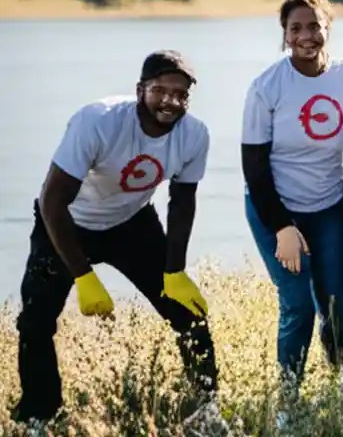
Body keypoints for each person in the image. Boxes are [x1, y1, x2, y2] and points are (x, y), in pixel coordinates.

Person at [13, 51, 218, 424]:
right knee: (36, 322)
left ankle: (207, 410)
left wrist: (175, 270)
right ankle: (38, 417)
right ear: (140, 90)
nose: (171, 100)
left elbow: (182, 203)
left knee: (189, 314)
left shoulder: (194, 135)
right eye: (160, 90)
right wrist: (82, 275)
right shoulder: (98, 121)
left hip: (131, 222)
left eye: (181, 93)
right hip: (65, 222)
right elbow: (52, 200)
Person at [242, 0, 343, 392]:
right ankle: (289, 395)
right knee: (297, 305)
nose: (306, 35)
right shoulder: (267, 87)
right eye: (296, 28)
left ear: (328, 28)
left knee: (336, 305)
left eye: (315, 25)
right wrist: (282, 226)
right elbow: (254, 167)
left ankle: (339, 379)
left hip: (329, 207)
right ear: (285, 35)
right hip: (275, 209)